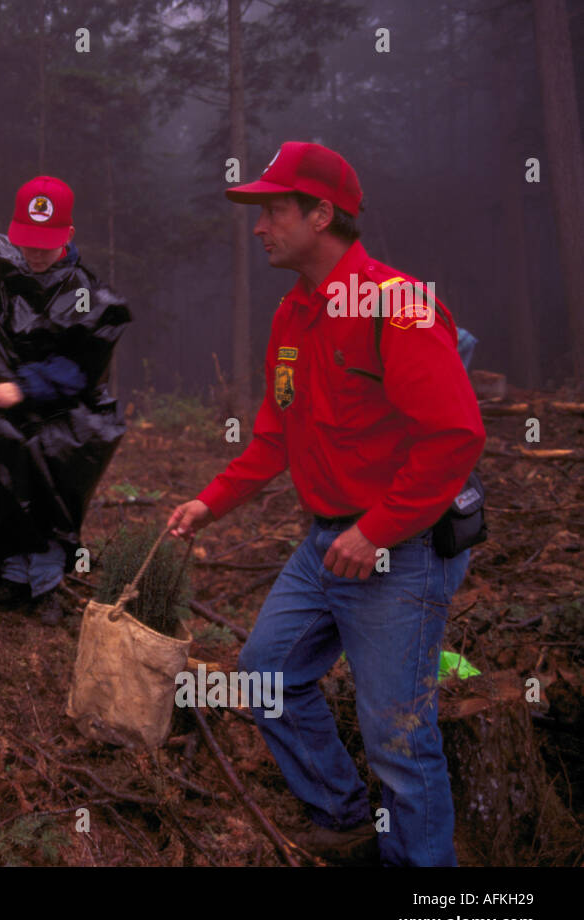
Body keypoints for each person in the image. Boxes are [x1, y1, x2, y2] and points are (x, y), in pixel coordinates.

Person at [167, 142, 486, 866]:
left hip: (401, 550)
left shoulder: (395, 304)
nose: (259, 226)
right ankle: (345, 820)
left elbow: (455, 436)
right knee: (266, 674)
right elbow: (275, 435)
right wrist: (209, 504)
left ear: (322, 214)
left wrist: (376, 530)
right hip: (327, 544)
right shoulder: (295, 313)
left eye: (274, 210)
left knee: (399, 739)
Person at [0, 176, 131, 625]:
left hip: (65, 407)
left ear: (69, 237)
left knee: (53, 467)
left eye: (46, 245)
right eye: (28, 244)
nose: (35, 254)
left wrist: (26, 387)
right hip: (7, 401)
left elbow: (82, 366)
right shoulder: (2, 269)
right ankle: (12, 574)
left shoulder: (85, 292)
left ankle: (46, 583)